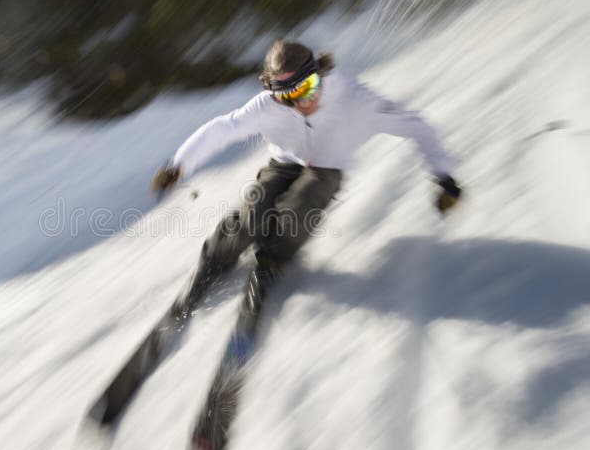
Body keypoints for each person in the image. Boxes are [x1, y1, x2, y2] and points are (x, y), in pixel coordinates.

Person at [152, 39, 462, 303]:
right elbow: (222, 130)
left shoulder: (356, 101)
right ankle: (217, 258)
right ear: (273, 91)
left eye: (307, 87)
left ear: (320, 72)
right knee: (254, 212)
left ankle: (274, 256)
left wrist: (444, 176)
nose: (301, 101)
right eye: (287, 95)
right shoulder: (266, 106)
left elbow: (416, 126)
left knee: (303, 203)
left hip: (327, 168)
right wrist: (179, 165)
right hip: (283, 164)